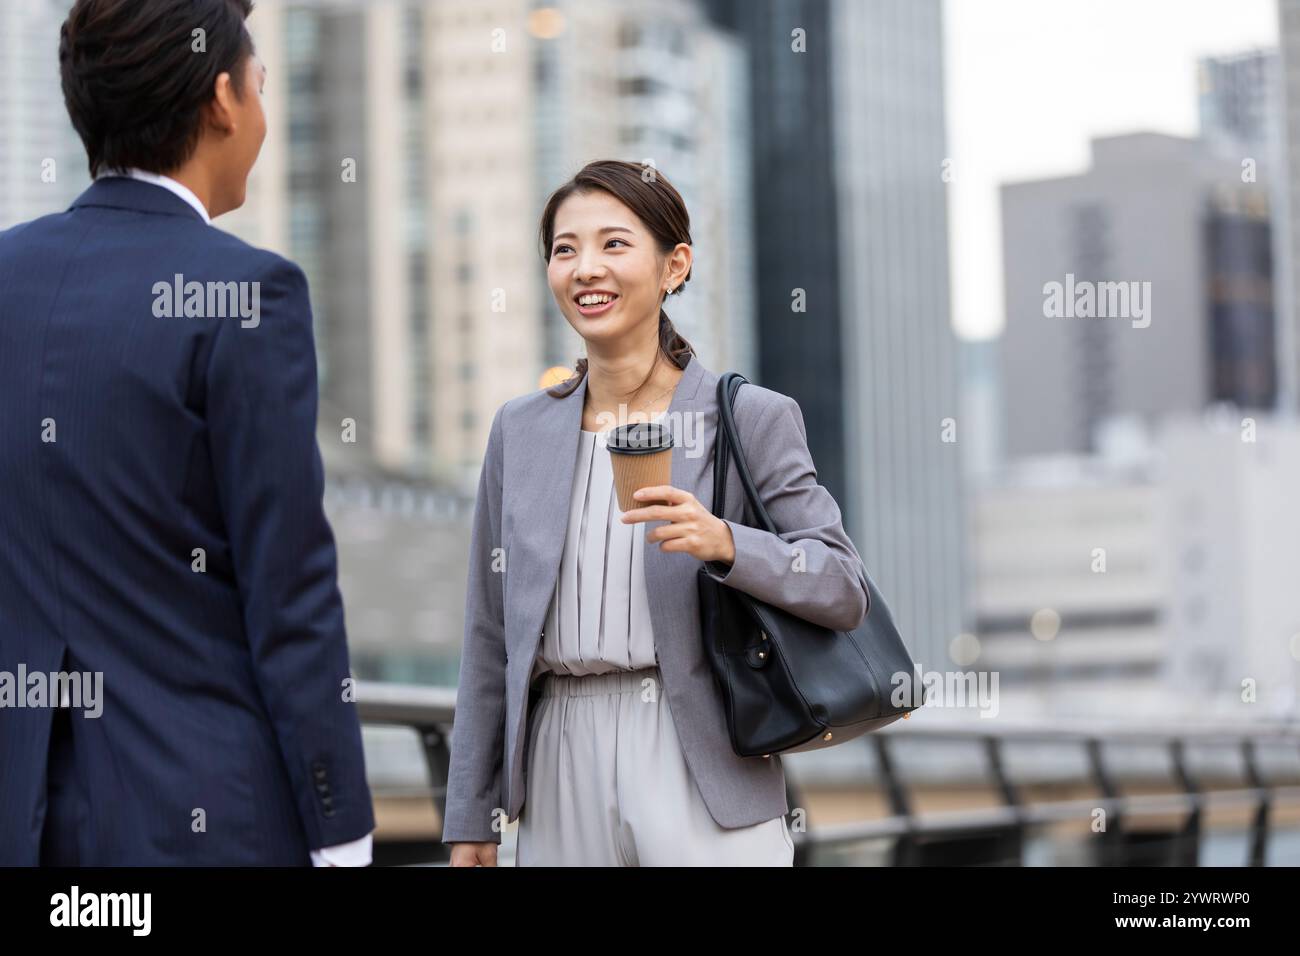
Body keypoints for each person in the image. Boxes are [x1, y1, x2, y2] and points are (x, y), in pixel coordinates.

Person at [0, 0, 374, 866]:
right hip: (202, 823)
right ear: (220, 100)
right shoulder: (250, 294)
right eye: (261, 85)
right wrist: (344, 832)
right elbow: (291, 597)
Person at [443, 160, 873, 866]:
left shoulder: (748, 417)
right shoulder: (518, 431)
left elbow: (842, 585)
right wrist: (471, 815)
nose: (586, 269)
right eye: (564, 248)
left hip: (699, 754)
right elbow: (489, 637)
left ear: (675, 266)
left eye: (614, 244)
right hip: (557, 758)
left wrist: (728, 543)